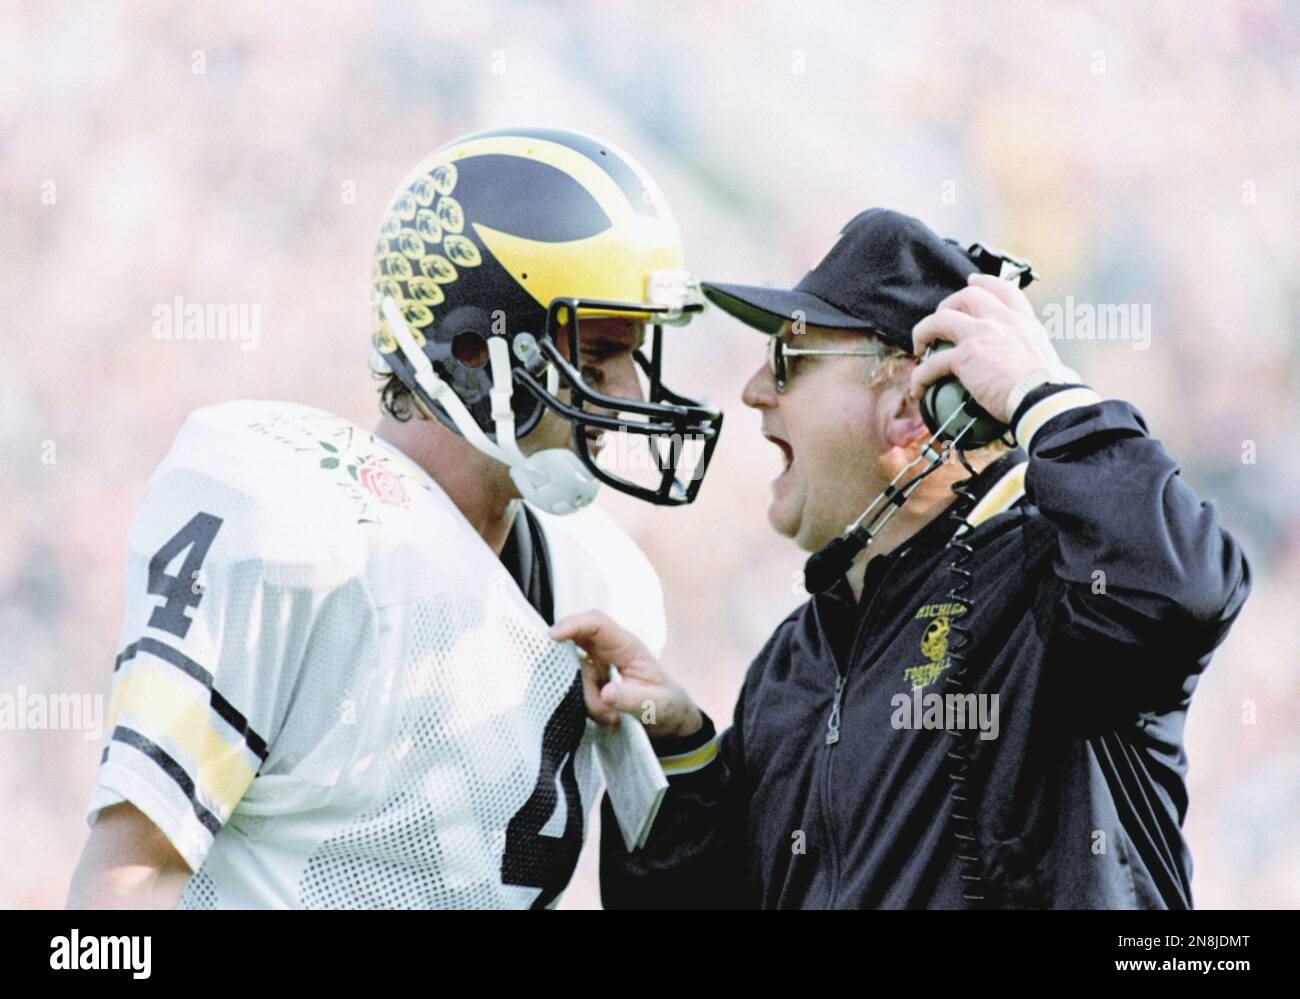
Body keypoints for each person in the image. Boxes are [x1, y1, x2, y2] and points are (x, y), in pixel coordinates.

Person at [66, 127, 723, 909]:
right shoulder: (285, 513)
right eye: (598, 354)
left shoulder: (603, 581)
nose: (633, 396)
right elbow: (126, 878)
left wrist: (685, 746)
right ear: (475, 349)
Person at [554, 208, 1251, 909]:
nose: (754, 390)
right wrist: (685, 754)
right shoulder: (793, 659)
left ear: (913, 412)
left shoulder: (1051, 585)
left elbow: (1182, 588)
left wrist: (1040, 391)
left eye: (789, 360)